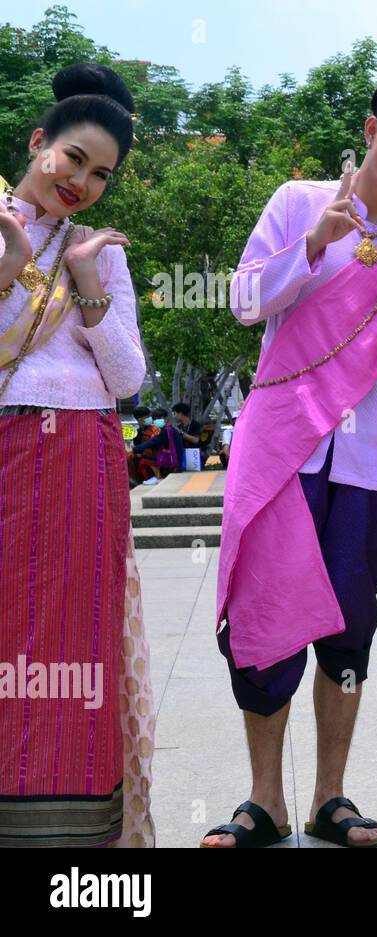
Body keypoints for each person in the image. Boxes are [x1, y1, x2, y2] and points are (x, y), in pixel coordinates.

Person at [203, 79, 377, 848]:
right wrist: (314, 242)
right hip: (280, 447)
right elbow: (245, 301)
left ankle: (330, 797)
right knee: (263, 621)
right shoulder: (298, 200)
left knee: (349, 629)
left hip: (360, 460)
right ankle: (264, 801)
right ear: (371, 129)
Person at [0, 62, 155, 847]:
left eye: (102, 173)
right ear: (39, 142)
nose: (83, 182)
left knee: (79, 639)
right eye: (73, 160)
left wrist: (88, 279)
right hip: (6, 448)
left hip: (83, 455)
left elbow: (126, 378)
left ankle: (77, 834)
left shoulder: (101, 248)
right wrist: (11, 261)